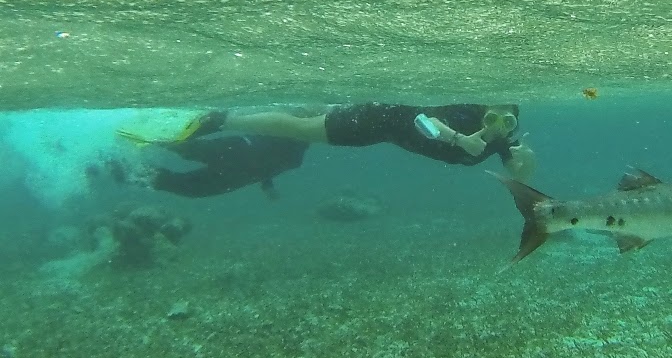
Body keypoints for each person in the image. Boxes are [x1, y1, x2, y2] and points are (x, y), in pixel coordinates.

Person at [178, 101, 537, 181]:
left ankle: (320, 107)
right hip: (379, 120)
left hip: (382, 135)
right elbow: (422, 120)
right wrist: (458, 138)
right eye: (491, 118)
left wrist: (526, 163)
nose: (495, 127)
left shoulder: (505, 143)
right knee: (301, 130)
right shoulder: (466, 115)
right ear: (483, 112)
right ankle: (221, 119)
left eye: (507, 123)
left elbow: (520, 183)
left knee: (307, 123)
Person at [104, 134, 310, 199]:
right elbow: (270, 159)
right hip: (237, 154)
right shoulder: (290, 138)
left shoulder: (294, 158)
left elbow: (270, 166)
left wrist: (267, 186)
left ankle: (132, 172)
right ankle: (150, 138)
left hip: (239, 170)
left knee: (190, 187)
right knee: (185, 150)